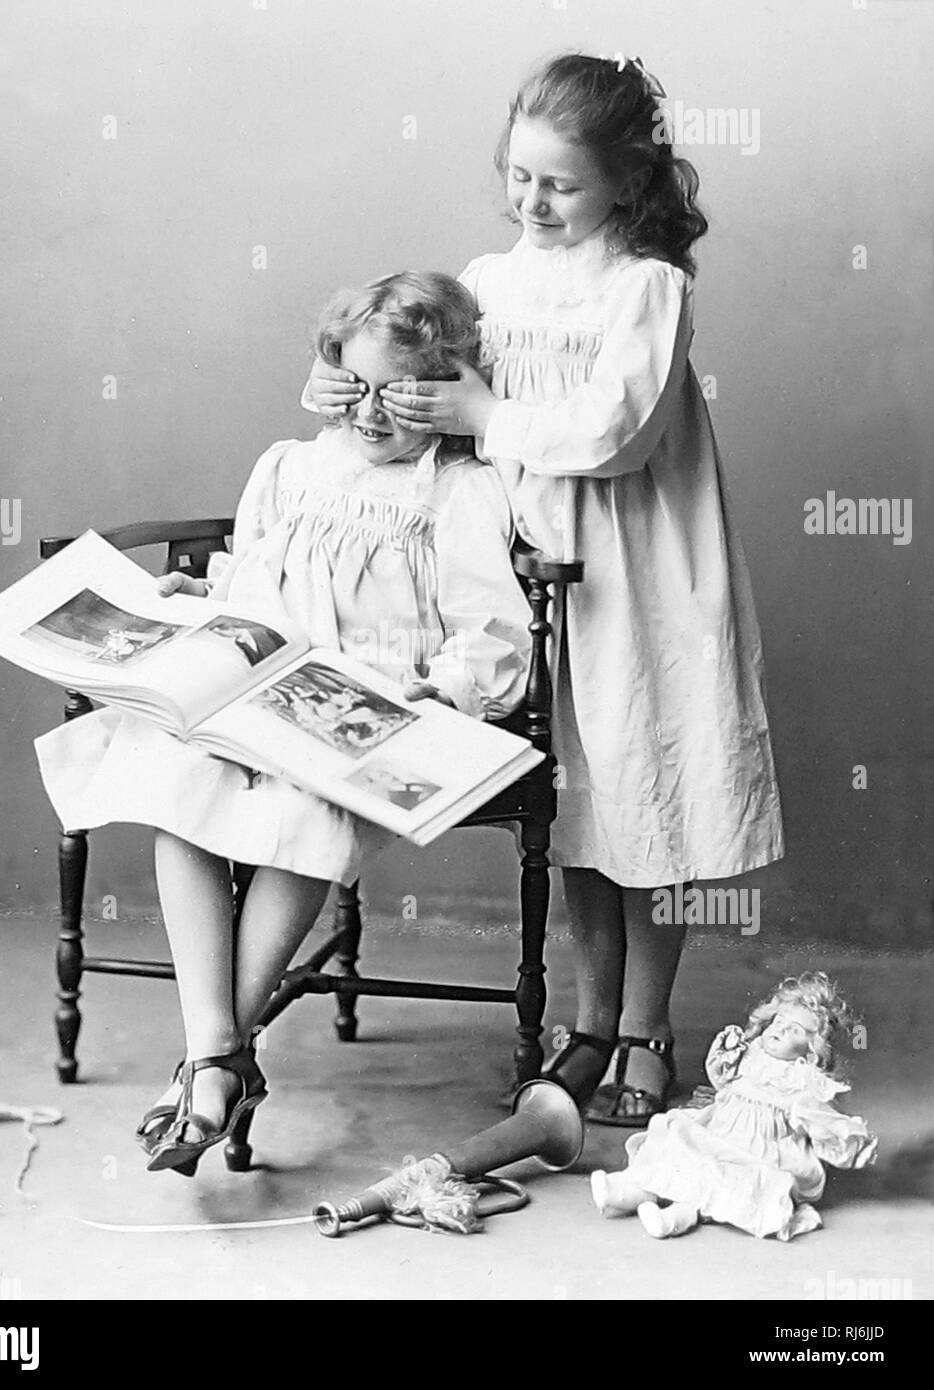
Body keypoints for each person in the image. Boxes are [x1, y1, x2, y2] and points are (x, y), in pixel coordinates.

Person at [307, 53, 784, 1125]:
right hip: (529, 583)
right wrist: (345, 385)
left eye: (558, 184)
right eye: (517, 176)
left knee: (646, 805)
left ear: (624, 180)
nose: (530, 200)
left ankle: (649, 1028)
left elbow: (612, 435)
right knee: (573, 810)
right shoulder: (490, 280)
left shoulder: (645, 290)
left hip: (638, 580)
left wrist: (488, 417)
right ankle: (588, 1018)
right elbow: (409, 372)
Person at [34, 271, 532, 1175]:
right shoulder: (290, 466)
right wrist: (202, 595)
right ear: (330, 374)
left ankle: (208, 1067)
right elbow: (255, 581)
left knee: (305, 820)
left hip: (360, 711)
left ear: (449, 392)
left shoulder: (459, 491)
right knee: (179, 790)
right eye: (359, 389)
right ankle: (217, 1050)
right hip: (253, 694)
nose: (375, 416)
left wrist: (440, 688)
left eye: (405, 396)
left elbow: (494, 635)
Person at [589, 972, 877, 1239]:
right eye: (778, 1022)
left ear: (813, 1048)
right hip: (720, 1131)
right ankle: (631, 1191)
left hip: (759, 1152)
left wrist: (852, 1144)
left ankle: (675, 1218)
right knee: (677, 1140)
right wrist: (726, 1055)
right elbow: (722, 1083)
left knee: (728, 1179)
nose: (780, 1032)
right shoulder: (750, 1055)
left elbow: (825, 1123)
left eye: (794, 1031)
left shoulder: (801, 1083)